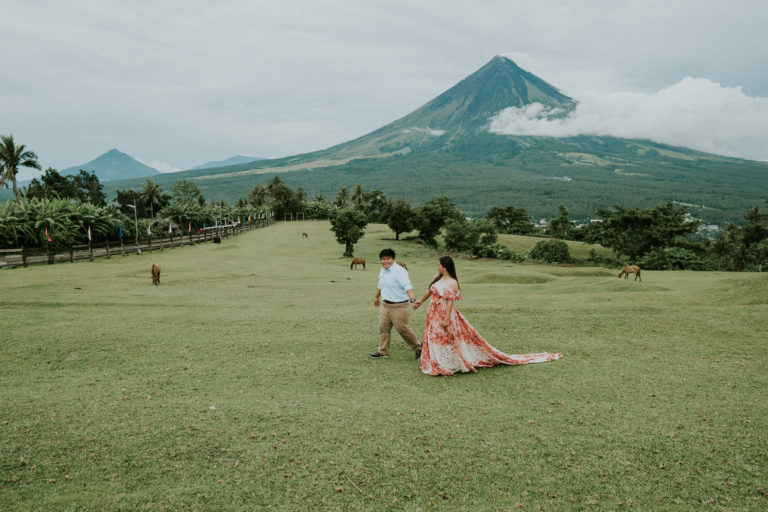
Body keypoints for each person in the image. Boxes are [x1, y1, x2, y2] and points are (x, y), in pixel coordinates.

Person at [413, 256, 562, 375]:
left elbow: (451, 302)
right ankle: (435, 362)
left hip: (444, 312)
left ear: (444, 266)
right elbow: (429, 291)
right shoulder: (437, 278)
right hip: (432, 311)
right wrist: (420, 302)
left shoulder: (452, 282)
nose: (437, 267)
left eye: (438, 265)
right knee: (433, 337)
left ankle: (446, 364)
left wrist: (446, 319)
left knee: (444, 338)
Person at [369, 248, 422, 359]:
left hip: (399, 306)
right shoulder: (382, 271)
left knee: (402, 329)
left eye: (388, 259)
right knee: (383, 328)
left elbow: (408, 286)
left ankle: (418, 348)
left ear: (393, 259)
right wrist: (376, 297)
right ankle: (383, 351)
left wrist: (413, 300)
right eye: (383, 259)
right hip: (385, 305)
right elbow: (381, 285)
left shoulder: (400, 271)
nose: (385, 261)